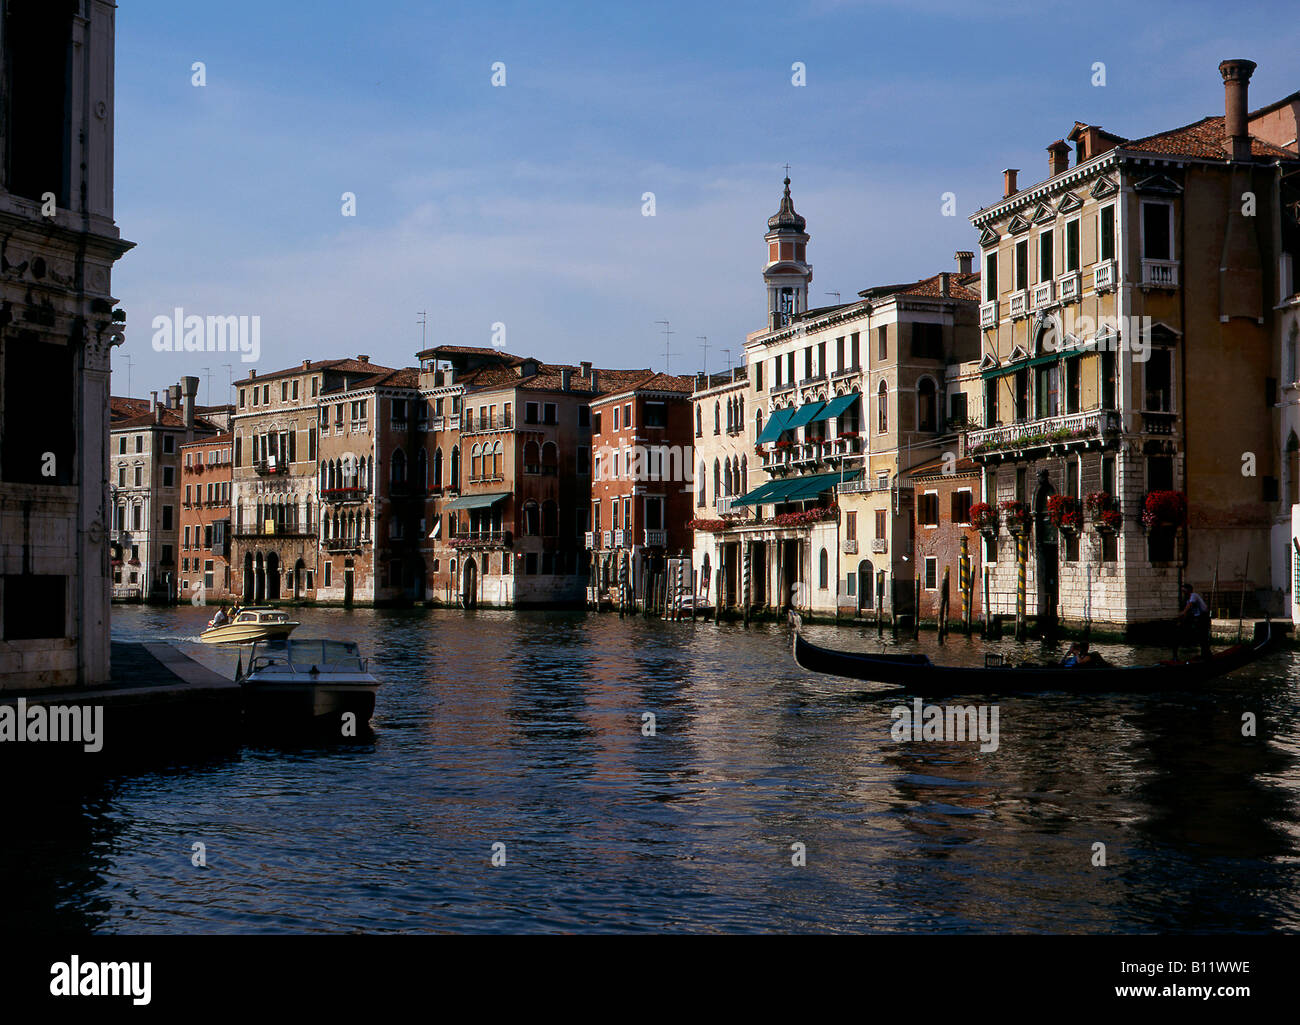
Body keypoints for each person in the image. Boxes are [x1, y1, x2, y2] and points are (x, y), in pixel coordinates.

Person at [1177, 583, 1211, 659]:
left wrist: (1183, 612)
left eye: (1184, 590)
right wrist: (1180, 621)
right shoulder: (1187, 600)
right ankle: (1204, 654)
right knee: (1200, 636)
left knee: (1203, 636)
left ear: (1189, 590)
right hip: (1198, 618)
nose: (1183, 593)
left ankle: (1207, 654)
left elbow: (1189, 606)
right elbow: (1188, 611)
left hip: (1203, 617)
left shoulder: (1194, 596)